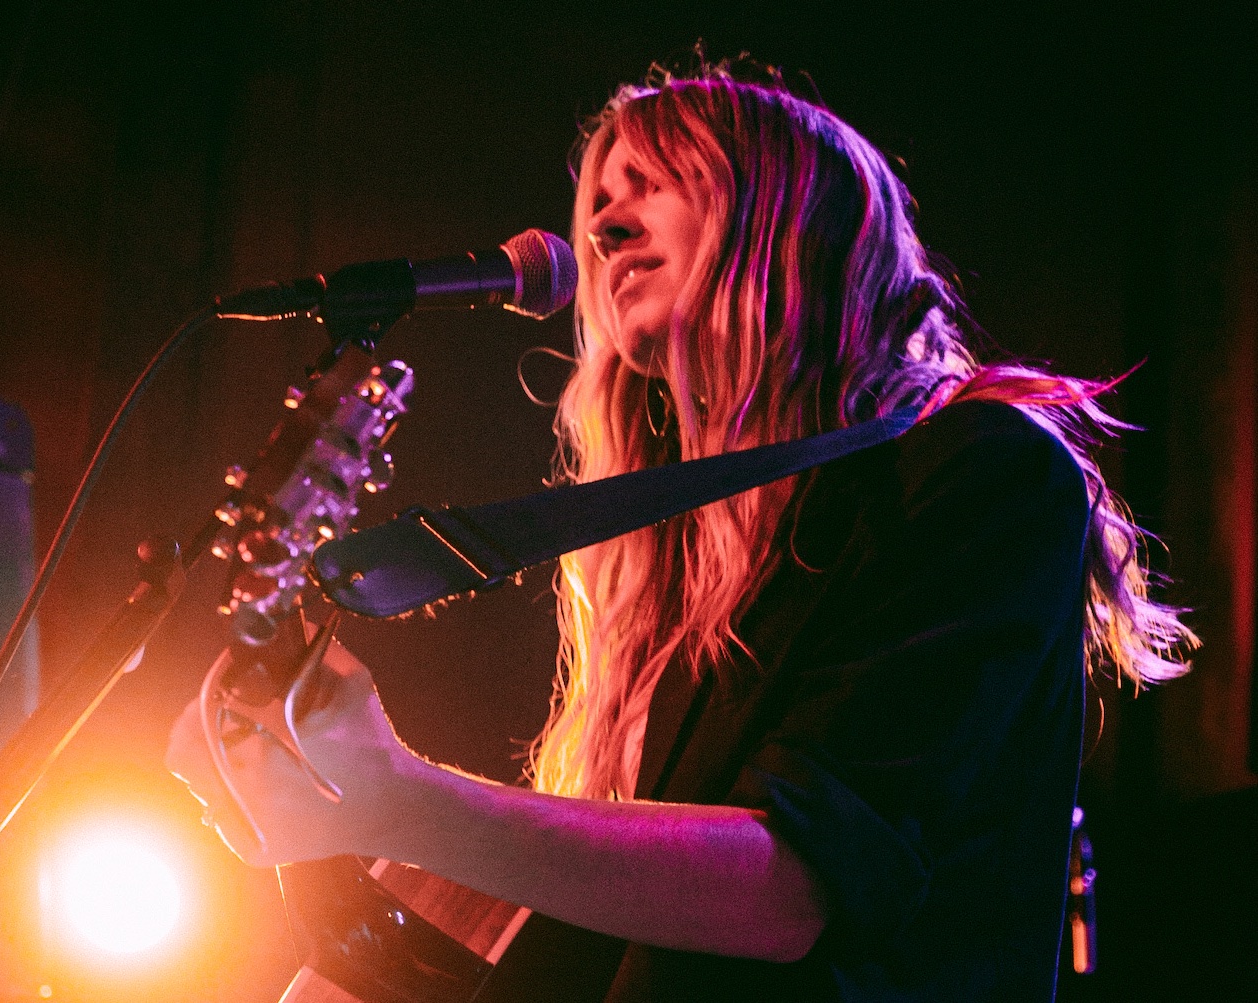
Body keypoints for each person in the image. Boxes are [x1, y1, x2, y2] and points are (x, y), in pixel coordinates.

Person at [166, 63, 1195, 1001]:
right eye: (599, 203)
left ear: (791, 216)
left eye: (656, 181)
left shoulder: (976, 470)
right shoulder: (671, 560)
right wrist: (330, 849)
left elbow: (795, 887)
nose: (605, 228)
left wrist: (398, 802)